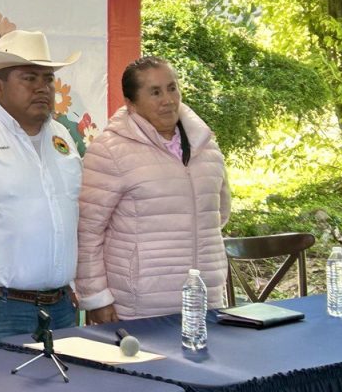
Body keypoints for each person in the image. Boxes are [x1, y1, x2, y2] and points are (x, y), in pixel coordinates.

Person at [0, 30, 83, 343]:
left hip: (61, 309)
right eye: (29, 78)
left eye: (48, 79)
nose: (42, 88)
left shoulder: (62, 136)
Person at [77, 56, 231, 322]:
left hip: (205, 300)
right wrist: (96, 298)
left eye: (172, 88)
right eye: (155, 92)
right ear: (131, 103)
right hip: (138, 306)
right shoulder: (109, 151)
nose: (168, 100)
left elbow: (220, 214)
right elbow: (87, 231)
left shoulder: (206, 146)